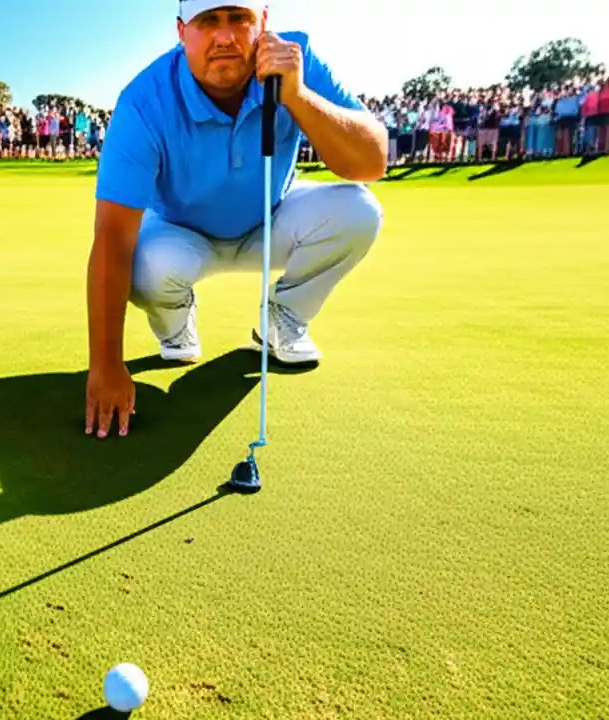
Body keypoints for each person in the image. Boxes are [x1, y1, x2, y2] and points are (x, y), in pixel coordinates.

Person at [83, 0, 386, 439]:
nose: (224, 36)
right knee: (144, 265)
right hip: (179, 233)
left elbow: (372, 162)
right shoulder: (144, 100)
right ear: (181, 31)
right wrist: (107, 363)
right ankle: (174, 321)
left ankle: (283, 317)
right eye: (208, 21)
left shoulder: (296, 58)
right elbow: (112, 235)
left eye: (238, 19)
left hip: (270, 219)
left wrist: (297, 96)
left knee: (358, 212)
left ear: (263, 23)